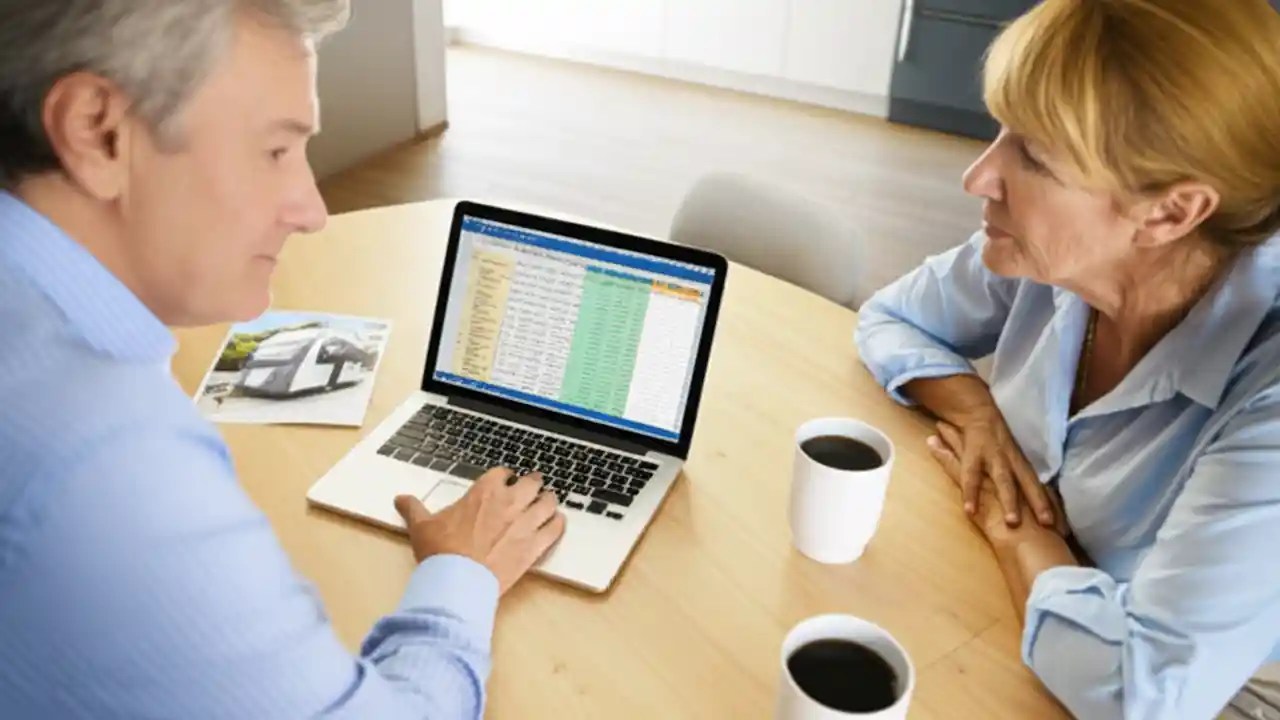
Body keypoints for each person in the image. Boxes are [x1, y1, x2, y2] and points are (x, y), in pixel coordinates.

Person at [0, 1, 565, 717]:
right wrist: (460, 574)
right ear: (98, 132)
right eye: (274, 151)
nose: (311, 209)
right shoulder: (108, 464)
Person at [854, 0, 1280, 717]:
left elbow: (1142, 696)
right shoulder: (1051, 253)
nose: (978, 176)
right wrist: (976, 411)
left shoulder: (1267, 398)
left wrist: (1020, 534)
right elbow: (891, 318)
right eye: (1002, 132)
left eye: (1034, 157)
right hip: (1038, 608)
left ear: (1170, 213)